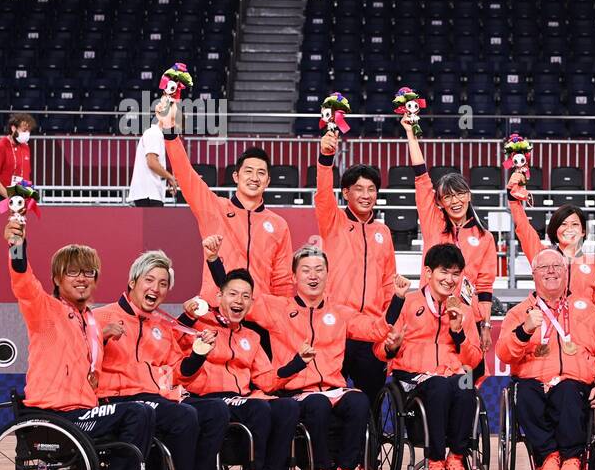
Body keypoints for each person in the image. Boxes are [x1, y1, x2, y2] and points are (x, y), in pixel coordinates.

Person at [2, 219, 158, 470]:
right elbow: (23, 281)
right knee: (138, 412)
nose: (82, 278)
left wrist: (105, 335)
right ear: (57, 278)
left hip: (83, 410)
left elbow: (87, 364)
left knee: (146, 410)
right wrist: (16, 246)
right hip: (56, 416)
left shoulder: (88, 321)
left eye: (89, 272)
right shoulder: (44, 309)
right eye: (73, 272)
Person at [209, 240, 388, 470]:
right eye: (305, 270)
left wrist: (399, 302)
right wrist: (215, 261)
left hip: (333, 388)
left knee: (359, 401)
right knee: (317, 404)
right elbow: (236, 295)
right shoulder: (277, 308)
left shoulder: (340, 312)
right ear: (294, 277)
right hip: (296, 391)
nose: (312, 276)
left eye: (319, 269)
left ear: (328, 275)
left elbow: (376, 329)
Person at [93, 250, 230, 470]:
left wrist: (199, 354)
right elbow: (81, 360)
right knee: (183, 415)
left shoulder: (162, 325)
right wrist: (103, 339)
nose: (155, 288)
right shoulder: (100, 317)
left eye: (163, 284)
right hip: (117, 400)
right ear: (133, 282)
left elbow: (179, 373)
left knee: (216, 410)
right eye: (149, 280)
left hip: (155, 398)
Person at [176, 267, 301, 470]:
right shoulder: (199, 325)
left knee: (288, 407)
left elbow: (265, 379)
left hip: (238, 399)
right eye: (233, 294)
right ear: (219, 297)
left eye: (245, 296)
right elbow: (171, 342)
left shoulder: (252, 338)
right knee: (258, 407)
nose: (239, 301)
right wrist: (188, 316)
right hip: (206, 399)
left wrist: (297, 364)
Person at [496, 248, 595, 470]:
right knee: (524, 395)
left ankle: (573, 457)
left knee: (568, 390)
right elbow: (504, 354)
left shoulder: (587, 309)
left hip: (576, 382)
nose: (551, 271)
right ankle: (548, 456)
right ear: (533, 273)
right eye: (544, 267)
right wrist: (524, 330)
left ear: (566, 272)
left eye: (557, 266)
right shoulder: (518, 313)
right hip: (532, 382)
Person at [376, 243, 483, 470]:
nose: (450, 279)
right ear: (428, 272)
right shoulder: (406, 303)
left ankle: (455, 458)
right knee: (438, 386)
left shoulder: (464, 311)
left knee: (467, 386)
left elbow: (474, 359)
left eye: (456, 273)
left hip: (451, 374)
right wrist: (392, 346)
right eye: (444, 272)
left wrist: (458, 335)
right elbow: (379, 349)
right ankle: (435, 460)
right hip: (412, 377)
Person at [164, 122, 293, 301]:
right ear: (236, 176)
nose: (254, 178)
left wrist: (281, 318)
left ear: (268, 181)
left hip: (259, 318)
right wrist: (170, 133)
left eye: (261, 173)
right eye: (248, 171)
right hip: (216, 314)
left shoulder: (279, 225)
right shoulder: (214, 208)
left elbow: (283, 281)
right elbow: (186, 175)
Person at [402, 117, 496, 353]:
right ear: (440, 203)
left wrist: (485, 323)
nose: (455, 202)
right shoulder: (433, 223)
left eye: (460, 194)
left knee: (468, 373)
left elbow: (485, 286)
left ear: (469, 195)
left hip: (466, 315)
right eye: (448, 197)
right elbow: (422, 179)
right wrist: (411, 135)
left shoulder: (484, 237)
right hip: (430, 313)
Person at [315, 127, 395, 401]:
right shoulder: (333, 221)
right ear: (346, 192)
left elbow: (388, 280)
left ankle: (369, 445)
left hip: (371, 331)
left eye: (371, 189)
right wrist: (326, 157)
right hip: (335, 326)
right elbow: (323, 194)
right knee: (330, 397)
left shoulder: (383, 232)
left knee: (371, 402)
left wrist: (388, 322)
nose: (365, 194)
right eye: (358, 189)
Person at [508, 178, 595, 310]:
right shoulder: (541, 255)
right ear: (555, 230)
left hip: (582, 327)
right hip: (549, 326)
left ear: (583, 231)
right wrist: (513, 200)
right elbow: (523, 228)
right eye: (563, 224)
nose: (569, 229)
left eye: (575, 224)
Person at [127, 99, 179, 207]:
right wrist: (170, 177)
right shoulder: (154, 133)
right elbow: (151, 162)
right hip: (148, 196)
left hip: (149, 195)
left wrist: (168, 177)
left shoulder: (155, 134)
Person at [0, 112, 36, 205]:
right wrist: (9, 196)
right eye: (24, 130)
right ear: (13, 128)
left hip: (20, 200)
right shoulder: (0, 146)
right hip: (0, 199)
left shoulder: (26, 147)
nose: (27, 133)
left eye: (29, 131)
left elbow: (25, 174)